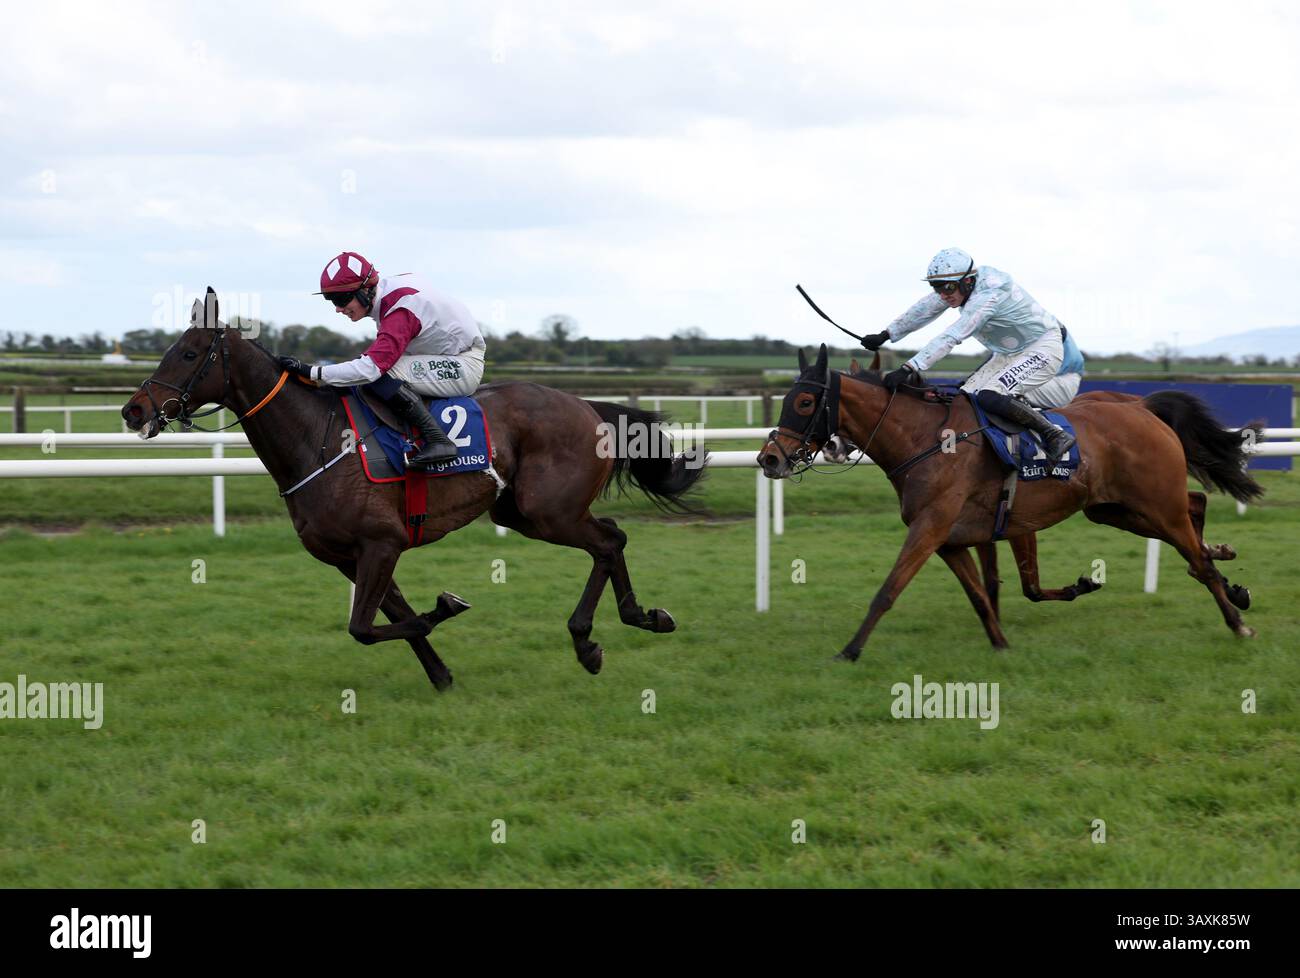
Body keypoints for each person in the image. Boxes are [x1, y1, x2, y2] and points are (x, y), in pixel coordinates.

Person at [860, 248, 1078, 463]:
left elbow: (953, 335)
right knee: (963, 402)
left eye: (947, 288)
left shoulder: (989, 295)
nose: (943, 295)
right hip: (1007, 354)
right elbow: (924, 308)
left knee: (990, 396)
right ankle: (964, 459)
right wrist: (886, 334)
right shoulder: (959, 285)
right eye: (937, 288)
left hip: (1043, 347)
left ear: (968, 281)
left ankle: (1054, 434)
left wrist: (910, 368)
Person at [277, 251, 488, 471]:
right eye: (332, 301)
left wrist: (314, 373)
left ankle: (439, 441)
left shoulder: (400, 310)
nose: (338, 309)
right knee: (364, 370)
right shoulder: (387, 292)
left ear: (366, 291)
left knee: (378, 374)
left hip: (463, 364)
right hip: (438, 353)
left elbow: (371, 370)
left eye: (341, 300)